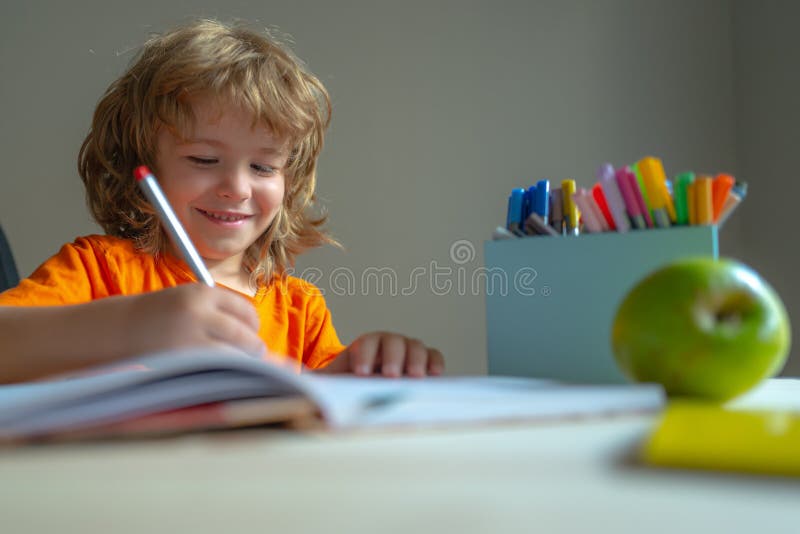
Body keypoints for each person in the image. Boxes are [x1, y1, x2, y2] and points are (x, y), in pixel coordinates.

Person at [0, 19, 443, 384]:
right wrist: (130, 327)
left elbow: (324, 401)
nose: (237, 188)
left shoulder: (300, 309)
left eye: (263, 167)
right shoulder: (99, 270)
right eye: (204, 159)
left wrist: (369, 369)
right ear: (143, 165)